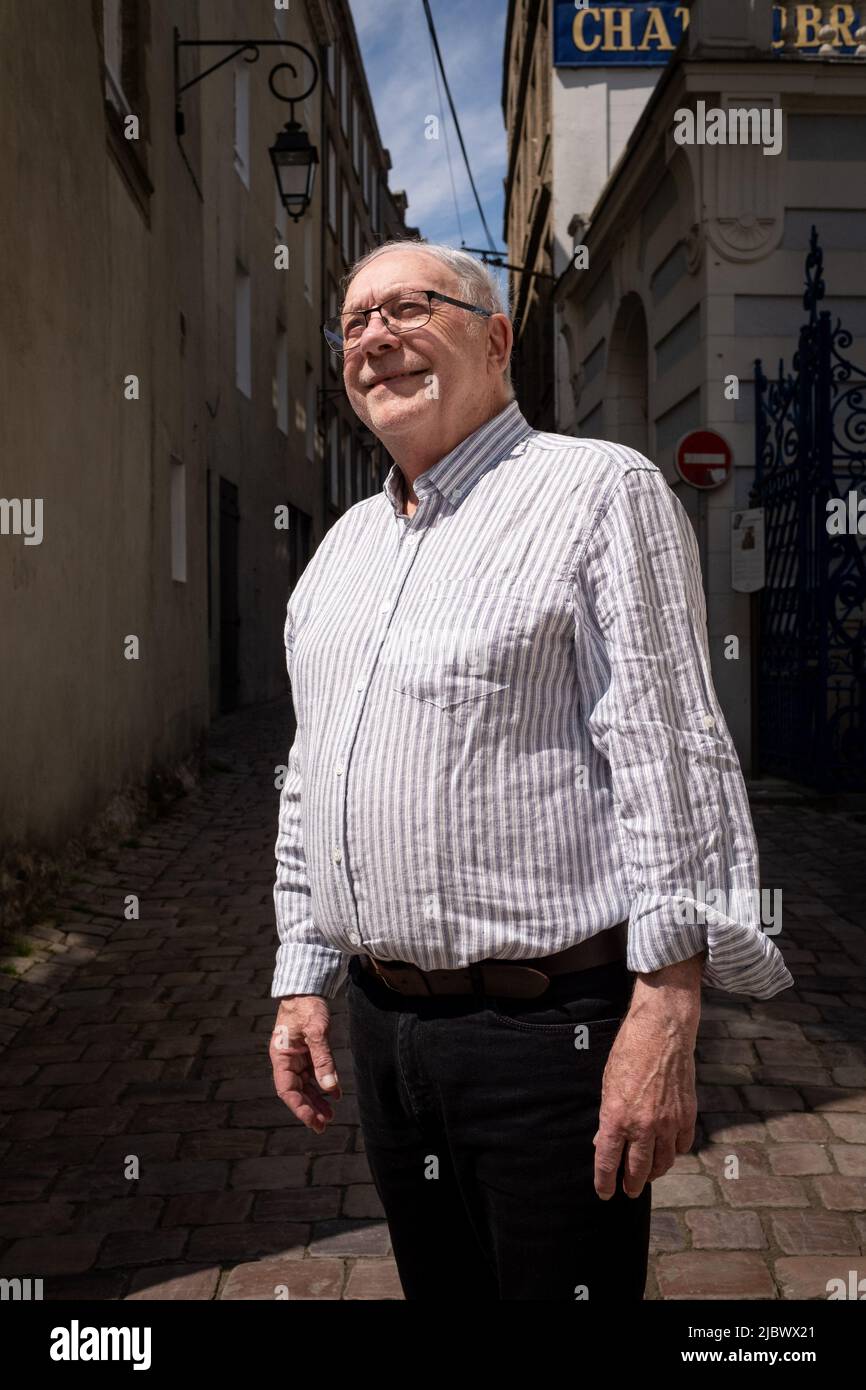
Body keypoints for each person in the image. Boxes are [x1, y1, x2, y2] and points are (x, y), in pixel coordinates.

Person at [267, 239, 793, 1301]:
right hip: (382, 1033)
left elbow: (668, 751)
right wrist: (300, 976)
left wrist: (665, 1011)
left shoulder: (594, 491)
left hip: (548, 1038)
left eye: (408, 307)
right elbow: (307, 777)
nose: (374, 337)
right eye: (354, 322)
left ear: (496, 338)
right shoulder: (342, 550)